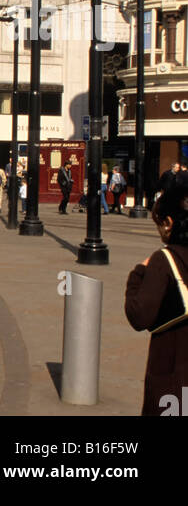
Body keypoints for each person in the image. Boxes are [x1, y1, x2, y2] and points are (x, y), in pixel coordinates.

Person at [125, 177, 188, 415]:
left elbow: (139, 315)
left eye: (159, 225)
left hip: (174, 375)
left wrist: (138, 274)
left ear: (169, 223)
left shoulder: (164, 260)